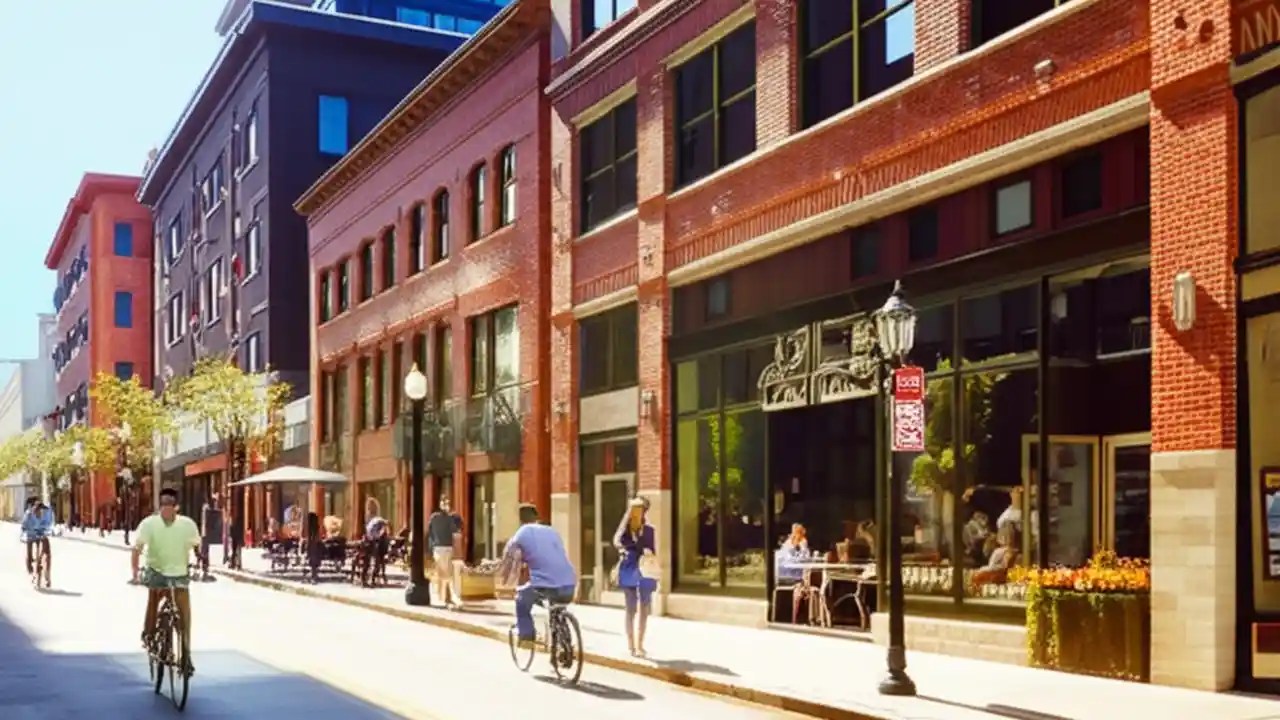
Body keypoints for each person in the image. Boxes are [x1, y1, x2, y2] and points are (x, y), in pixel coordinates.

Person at [132, 487, 201, 672]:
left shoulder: (187, 525)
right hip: (156, 572)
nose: (166, 508)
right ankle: (149, 633)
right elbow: (137, 548)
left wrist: (198, 565)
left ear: (176, 507)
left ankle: (186, 655)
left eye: (169, 504)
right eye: (162, 504)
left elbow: (196, 547)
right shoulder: (149, 524)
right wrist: (135, 573)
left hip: (179, 574)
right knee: (154, 597)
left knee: (185, 614)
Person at [499, 503, 578, 649]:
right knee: (557, 609)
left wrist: (504, 580)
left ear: (521, 519)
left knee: (521, 599)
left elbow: (508, 559)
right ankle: (563, 645)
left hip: (545, 586)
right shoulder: (552, 531)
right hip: (570, 583)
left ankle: (527, 636)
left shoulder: (522, 532)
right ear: (537, 517)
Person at [613, 497, 657, 657]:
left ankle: (640, 644)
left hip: (645, 570)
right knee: (630, 608)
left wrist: (649, 551)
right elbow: (616, 541)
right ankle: (631, 644)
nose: (635, 513)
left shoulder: (649, 530)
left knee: (644, 607)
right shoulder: (624, 529)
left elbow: (652, 549)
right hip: (629, 568)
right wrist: (622, 550)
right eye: (633, 509)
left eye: (639, 509)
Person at [427, 497, 462, 608]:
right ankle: (446, 598)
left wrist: (430, 548)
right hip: (445, 548)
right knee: (447, 574)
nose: (447, 506)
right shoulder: (448, 518)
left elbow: (429, 533)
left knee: (443, 573)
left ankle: (444, 597)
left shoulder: (434, 518)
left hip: (438, 548)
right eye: (446, 503)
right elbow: (456, 533)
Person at [22, 498, 54, 586]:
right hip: (31, 535)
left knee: (47, 551)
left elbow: (50, 524)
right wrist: (24, 533)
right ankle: (31, 570)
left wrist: (51, 531)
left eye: (41, 512)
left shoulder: (47, 513)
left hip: (41, 534)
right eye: (38, 512)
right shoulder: (28, 515)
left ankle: (47, 574)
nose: (40, 513)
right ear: (34, 510)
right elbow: (24, 526)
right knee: (29, 553)